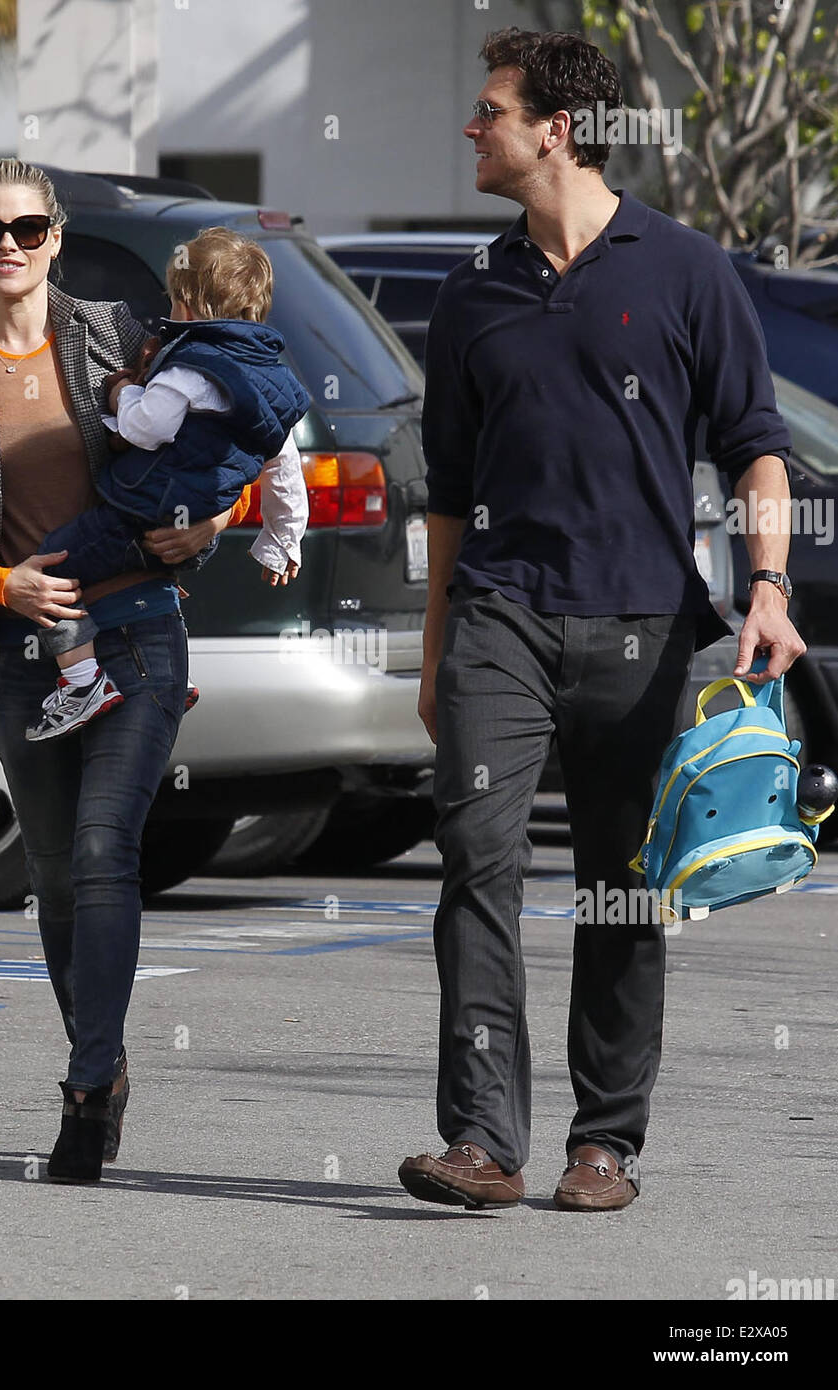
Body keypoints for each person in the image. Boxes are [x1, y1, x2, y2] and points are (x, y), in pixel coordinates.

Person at [397, 29, 806, 1213]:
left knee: (621, 885)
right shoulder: (471, 289)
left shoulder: (683, 269)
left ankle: (603, 1143)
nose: (471, 130)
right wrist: (435, 650)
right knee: (474, 867)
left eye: (489, 111)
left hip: (640, 625)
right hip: (498, 619)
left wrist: (767, 585)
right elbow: (446, 496)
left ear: (555, 130)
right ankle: (482, 1140)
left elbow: (756, 447)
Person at [0, 158, 268, 1184]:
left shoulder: (118, 332)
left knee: (102, 848)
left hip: (138, 629)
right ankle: (103, 1057)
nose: (6, 244)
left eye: (26, 227)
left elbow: (221, 428)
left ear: (55, 235)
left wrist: (212, 524)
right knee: (53, 875)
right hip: (23, 655)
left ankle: (87, 1087)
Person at [23, 226, 311, 742]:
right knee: (148, 582)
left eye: (175, 300)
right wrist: (281, 539)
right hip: (191, 534)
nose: (170, 311)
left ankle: (82, 681)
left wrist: (121, 394)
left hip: (144, 511)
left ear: (193, 306)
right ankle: (170, 676)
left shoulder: (194, 365)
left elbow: (146, 428)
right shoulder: (271, 377)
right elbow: (283, 466)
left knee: (53, 570)